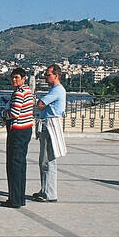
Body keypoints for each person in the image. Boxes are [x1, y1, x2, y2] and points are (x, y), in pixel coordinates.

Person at [32, 65, 66, 202]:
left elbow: (40, 104)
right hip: (47, 126)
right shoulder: (55, 90)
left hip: (50, 127)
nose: (45, 77)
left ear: (56, 75)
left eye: (47, 74)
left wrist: (39, 102)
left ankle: (50, 193)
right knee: (44, 161)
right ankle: (44, 189)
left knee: (48, 161)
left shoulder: (57, 90)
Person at [3, 67, 34, 208]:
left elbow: (14, 113)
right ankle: (20, 197)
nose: (14, 80)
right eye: (13, 77)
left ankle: (14, 200)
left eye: (17, 77)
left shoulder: (19, 93)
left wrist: (3, 113)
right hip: (26, 129)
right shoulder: (28, 91)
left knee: (13, 165)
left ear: (23, 78)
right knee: (21, 165)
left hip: (17, 131)